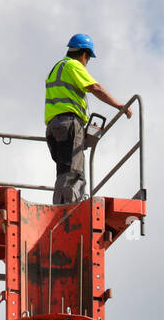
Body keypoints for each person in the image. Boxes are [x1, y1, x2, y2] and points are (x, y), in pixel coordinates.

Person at [44, 34, 132, 204]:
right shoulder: (74, 65)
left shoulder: (57, 67)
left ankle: (60, 205)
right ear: (84, 54)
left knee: (64, 170)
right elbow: (95, 88)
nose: (87, 62)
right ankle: (68, 210)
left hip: (54, 127)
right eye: (88, 58)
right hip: (69, 123)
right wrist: (119, 106)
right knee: (73, 172)